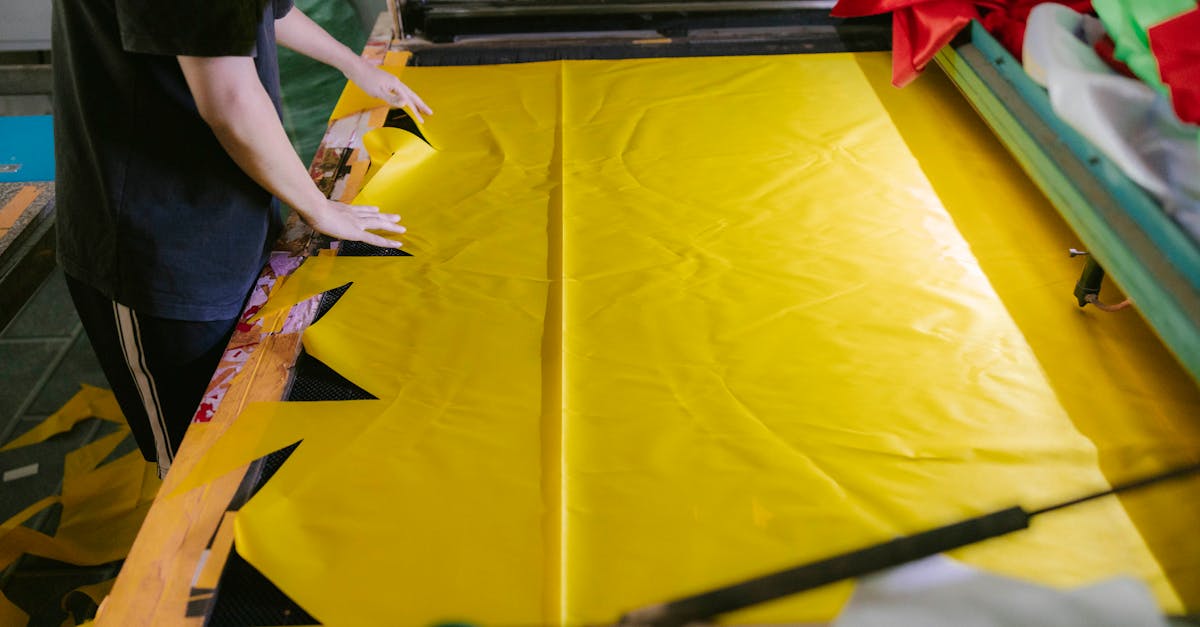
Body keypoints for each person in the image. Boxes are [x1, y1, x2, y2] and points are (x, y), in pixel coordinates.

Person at [51, 0, 432, 478]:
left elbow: (262, 12)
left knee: (243, 409)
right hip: (158, 238)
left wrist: (355, 64)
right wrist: (319, 209)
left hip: (218, 203)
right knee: (199, 460)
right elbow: (229, 97)